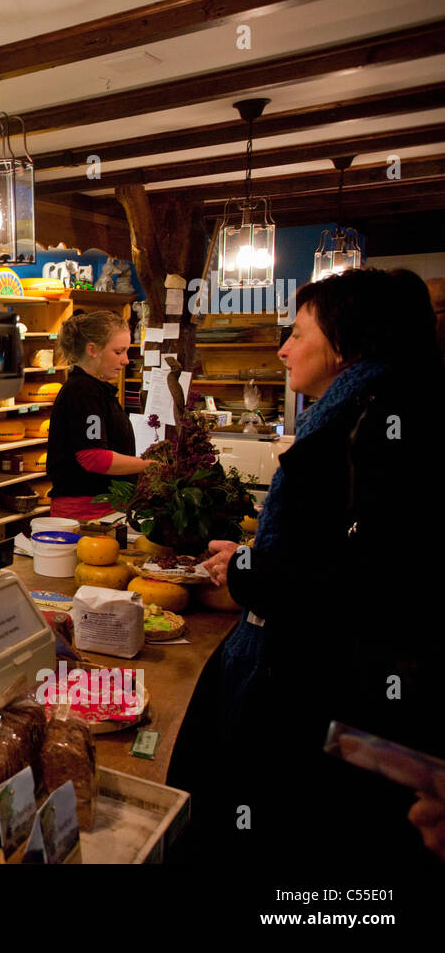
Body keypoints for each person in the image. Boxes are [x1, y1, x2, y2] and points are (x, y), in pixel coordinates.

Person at [172, 268, 444, 863]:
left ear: (344, 344)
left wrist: (247, 573)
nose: (283, 348)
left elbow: (353, 585)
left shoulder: (365, 431)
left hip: (321, 684)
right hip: (348, 684)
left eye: (297, 333)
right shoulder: (381, 408)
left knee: (277, 832)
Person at [45, 308, 150, 520]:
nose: (126, 360)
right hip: (86, 512)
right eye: (118, 352)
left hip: (106, 507)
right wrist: (148, 466)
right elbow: (93, 458)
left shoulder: (97, 388)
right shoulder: (83, 391)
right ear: (92, 349)